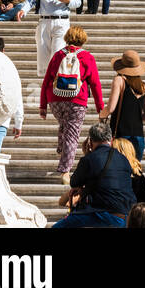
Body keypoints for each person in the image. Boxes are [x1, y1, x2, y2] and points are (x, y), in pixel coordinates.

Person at [40, 24, 104, 184]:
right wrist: (100, 108)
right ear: (83, 40)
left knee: (65, 125)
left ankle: (62, 148)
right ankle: (65, 170)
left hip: (55, 99)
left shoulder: (57, 56)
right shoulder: (87, 57)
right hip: (76, 100)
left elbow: (47, 80)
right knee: (72, 134)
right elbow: (95, 84)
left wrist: (43, 105)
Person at [52, 121, 135, 228]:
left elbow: (74, 182)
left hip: (97, 213)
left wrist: (87, 154)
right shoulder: (123, 159)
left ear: (90, 141)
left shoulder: (89, 159)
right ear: (111, 140)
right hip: (123, 215)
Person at [17, 0, 81, 76]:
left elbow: (78, 2)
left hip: (62, 23)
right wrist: (23, 10)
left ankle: (55, 89)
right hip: (44, 22)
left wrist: (67, 1)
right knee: (43, 59)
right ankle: (46, 89)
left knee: (57, 57)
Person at [103, 50, 145, 161]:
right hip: (139, 136)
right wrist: (136, 118)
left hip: (121, 136)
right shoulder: (143, 87)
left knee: (119, 169)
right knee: (135, 170)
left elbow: (111, 108)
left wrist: (102, 115)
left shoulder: (119, 80)